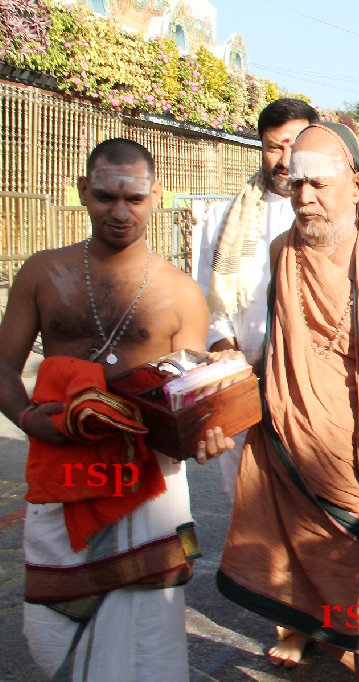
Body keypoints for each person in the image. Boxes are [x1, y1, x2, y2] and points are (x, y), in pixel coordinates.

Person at [215, 122, 359, 682]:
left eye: (318, 184)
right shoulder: (280, 252)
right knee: (346, 622)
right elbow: (273, 353)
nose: (304, 198)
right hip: (296, 466)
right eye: (296, 185)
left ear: (357, 184)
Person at [0, 138, 228, 679]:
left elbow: (191, 400)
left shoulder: (181, 294)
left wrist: (205, 435)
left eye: (134, 199)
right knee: (51, 630)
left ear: (156, 197)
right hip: (62, 473)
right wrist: (33, 420)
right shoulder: (43, 273)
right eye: (105, 197)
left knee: (149, 636)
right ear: (84, 192)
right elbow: (3, 369)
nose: (120, 212)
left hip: (149, 483)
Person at [195, 97, 318, 501]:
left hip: (311, 384)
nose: (285, 160)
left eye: (294, 146)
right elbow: (207, 301)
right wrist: (224, 347)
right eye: (273, 147)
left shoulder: (329, 216)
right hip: (242, 379)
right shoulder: (224, 218)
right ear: (260, 148)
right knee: (246, 506)